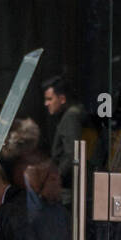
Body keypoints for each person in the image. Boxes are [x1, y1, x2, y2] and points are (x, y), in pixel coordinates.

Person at [42, 74, 86, 206]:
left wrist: (55, 177)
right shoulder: (71, 115)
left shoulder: (71, 117)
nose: (46, 103)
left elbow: (72, 153)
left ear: (62, 99)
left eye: (50, 99)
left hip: (68, 190)